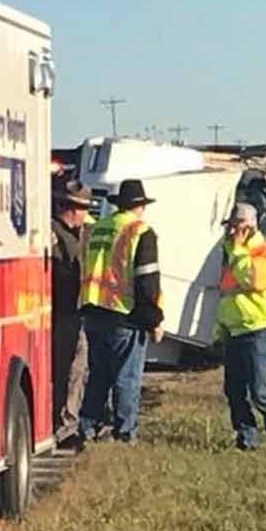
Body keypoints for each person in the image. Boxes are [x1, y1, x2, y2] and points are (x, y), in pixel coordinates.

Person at [77, 179, 164, 445]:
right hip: (123, 313)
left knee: (98, 376)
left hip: (93, 310)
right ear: (140, 206)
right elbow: (147, 280)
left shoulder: (99, 228)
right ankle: (125, 433)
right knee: (127, 377)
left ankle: (88, 427)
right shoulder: (140, 231)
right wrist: (153, 319)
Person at [213, 202, 266, 451]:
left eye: (236, 226)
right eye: (230, 226)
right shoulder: (231, 252)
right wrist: (220, 328)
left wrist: (237, 250)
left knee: (259, 391)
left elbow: (250, 279)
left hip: (259, 329)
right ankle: (247, 439)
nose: (231, 231)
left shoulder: (262, 252)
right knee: (234, 391)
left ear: (249, 227)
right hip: (234, 330)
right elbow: (226, 294)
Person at [50, 179, 94, 443]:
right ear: (73, 209)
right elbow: (58, 273)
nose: (86, 216)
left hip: (77, 313)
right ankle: (61, 423)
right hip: (61, 313)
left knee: (77, 369)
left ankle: (69, 422)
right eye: (85, 210)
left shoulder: (83, 233)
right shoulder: (53, 234)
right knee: (63, 369)